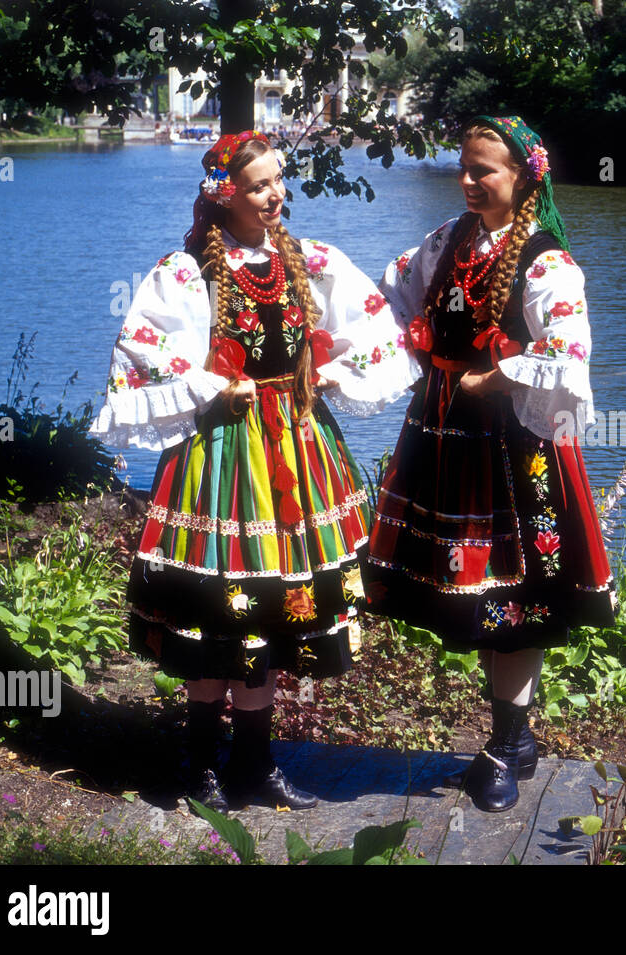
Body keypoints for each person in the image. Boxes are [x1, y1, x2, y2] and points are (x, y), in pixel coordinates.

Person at [90, 131, 420, 813]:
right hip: (222, 455)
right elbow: (144, 350)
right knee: (218, 606)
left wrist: (326, 374)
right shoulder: (189, 272)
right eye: (261, 184)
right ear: (224, 193)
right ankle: (203, 760)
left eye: (279, 181)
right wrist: (212, 384)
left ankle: (256, 761)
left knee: (273, 606)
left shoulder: (308, 260)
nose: (277, 195)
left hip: (297, 447)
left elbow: (374, 327)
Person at [364, 115, 617, 813]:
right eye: (465, 167)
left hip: (514, 451)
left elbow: (568, 347)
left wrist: (502, 375)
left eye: (486, 170)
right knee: (472, 595)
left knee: (515, 597)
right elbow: (392, 301)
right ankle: (515, 735)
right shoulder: (446, 241)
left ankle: (508, 741)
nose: (470, 181)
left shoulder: (546, 262)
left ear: (524, 176)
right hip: (442, 435)